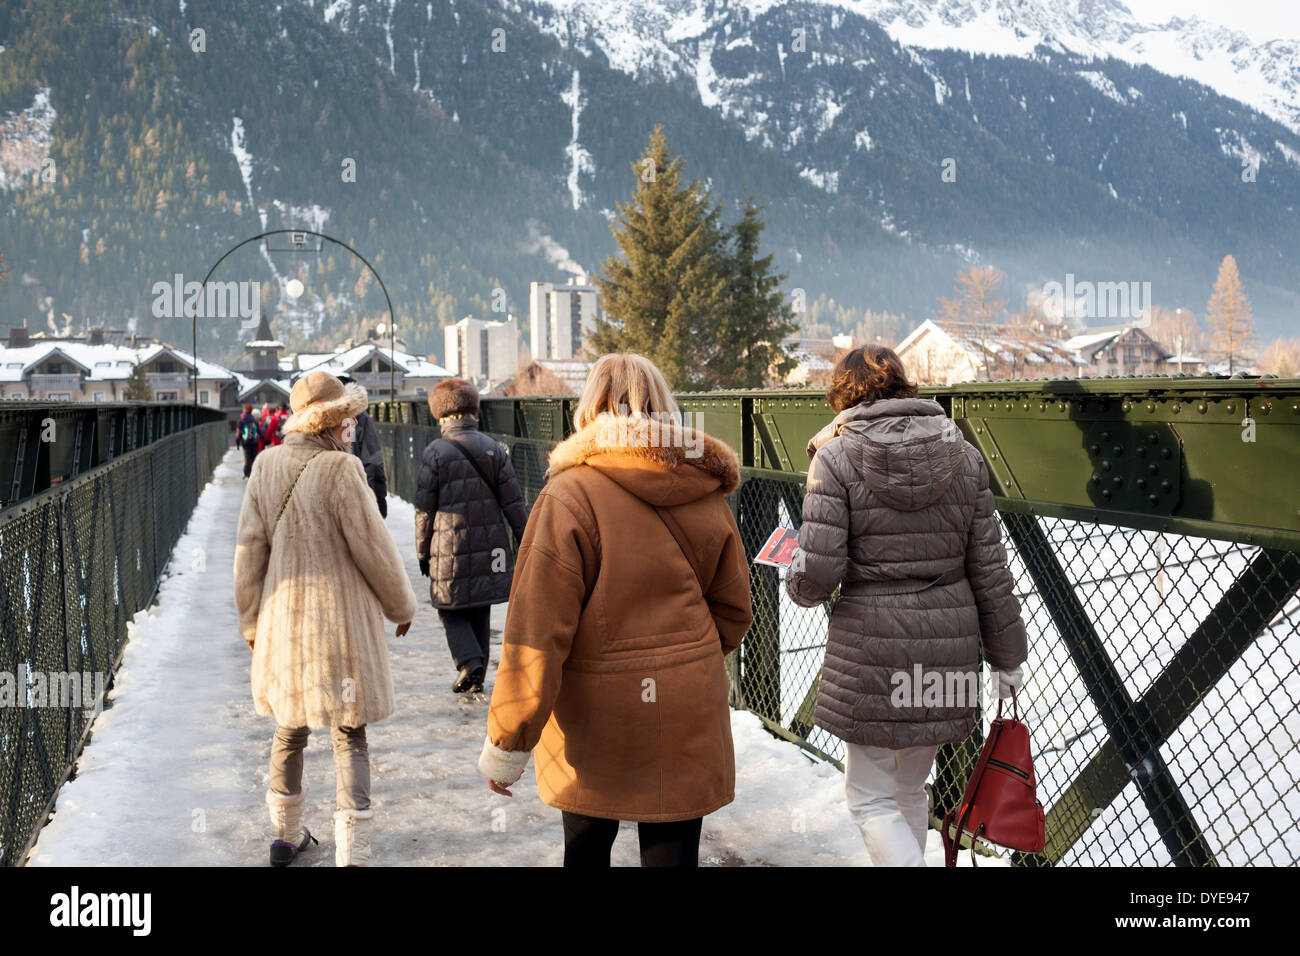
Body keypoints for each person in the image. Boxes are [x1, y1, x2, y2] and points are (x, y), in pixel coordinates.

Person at [477, 353, 753, 868]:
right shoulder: (706, 491)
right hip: (686, 711)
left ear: (590, 407)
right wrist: (683, 659)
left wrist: (509, 742)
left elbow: (536, 634)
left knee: (586, 851)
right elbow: (735, 610)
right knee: (674, 856)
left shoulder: (568, 495)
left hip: (595, 716)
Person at [784, 344, 1028, 867]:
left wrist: (795, 579)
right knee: (909, 791)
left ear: (842, 395)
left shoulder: (834, 456)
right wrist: (1008, 656)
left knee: (870, 797)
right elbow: (989, 568)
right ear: (904, 386)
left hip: (873, 649)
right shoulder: (963, 455)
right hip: (947, 647)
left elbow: (818, 575)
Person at [233, 370, 417, 867]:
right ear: (332, 422)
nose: (352, 429)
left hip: (283, 624)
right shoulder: (342, 471)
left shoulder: (266, 466)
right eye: (348, 420)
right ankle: (353, 852)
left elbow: (249, 553)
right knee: (348, 733)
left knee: (289, 729)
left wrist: (251, 623)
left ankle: (283, 836)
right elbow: (375, 551)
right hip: (339, 628)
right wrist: (400, 607)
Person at [414, 378, 527, 694]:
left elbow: (424, 509)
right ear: (472, 410)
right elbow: (513, 502)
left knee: (449, 606)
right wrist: (525, 541)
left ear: (441, 415)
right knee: (481, 603)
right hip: (493, 548)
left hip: (449, 545)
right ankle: (476, 671)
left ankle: (468, 661)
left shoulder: (435, 452)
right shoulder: (493, 448)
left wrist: (423, 551)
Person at [336, 375, 388, 517]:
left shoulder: (316, 418)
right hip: (356, 496)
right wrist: (378, 501)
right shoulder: (360, 418)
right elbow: (372, 461)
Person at [235, 403, 261, 479]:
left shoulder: (242, 420)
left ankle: (247, 475)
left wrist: (238, 442)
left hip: (245, 442)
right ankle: (255, 473)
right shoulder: (254, 420)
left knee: (247, 458)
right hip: (254, 442)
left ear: (245, 410)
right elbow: (259, 431)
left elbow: (238, 432)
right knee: (254, 458)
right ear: (251, 410)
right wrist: (265, 439)